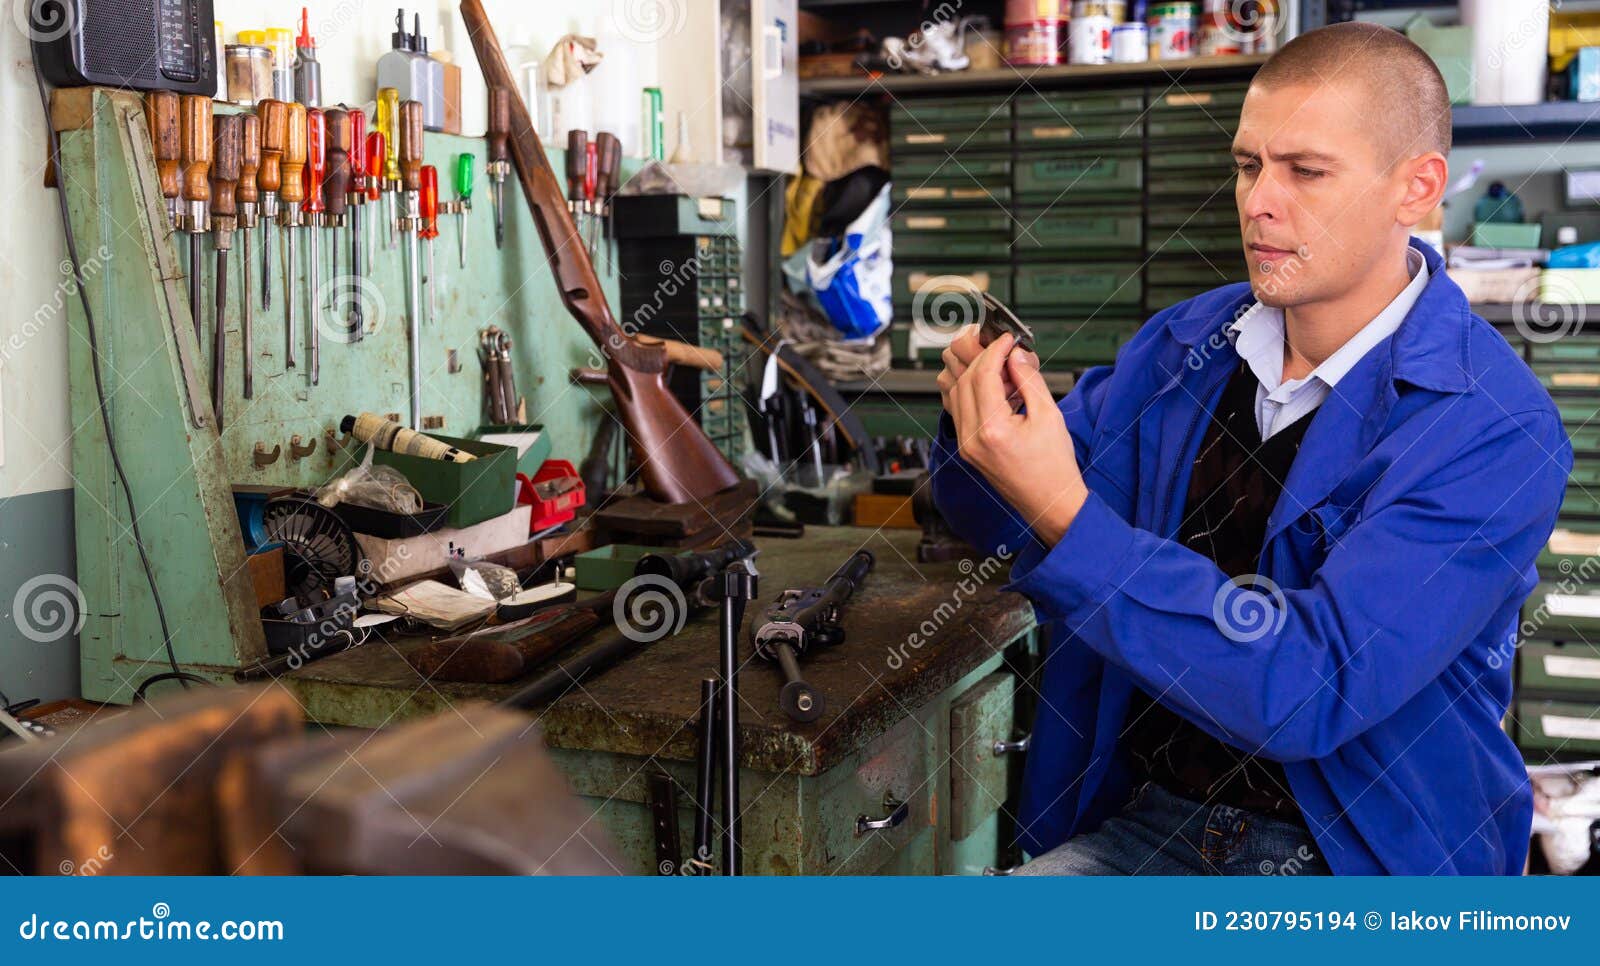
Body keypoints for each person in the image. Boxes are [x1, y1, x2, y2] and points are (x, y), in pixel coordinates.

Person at [931, 21, 1571, 875]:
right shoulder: (1183, 347)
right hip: (1145, 820)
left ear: (1415, 188)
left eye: (1305, 171)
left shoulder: (1493, 430)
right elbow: (1002, 522)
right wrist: (984, 432)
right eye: (1247, 164)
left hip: (1360, 861)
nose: (1258, 200)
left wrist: (1063, 510)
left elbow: (1309, 687)